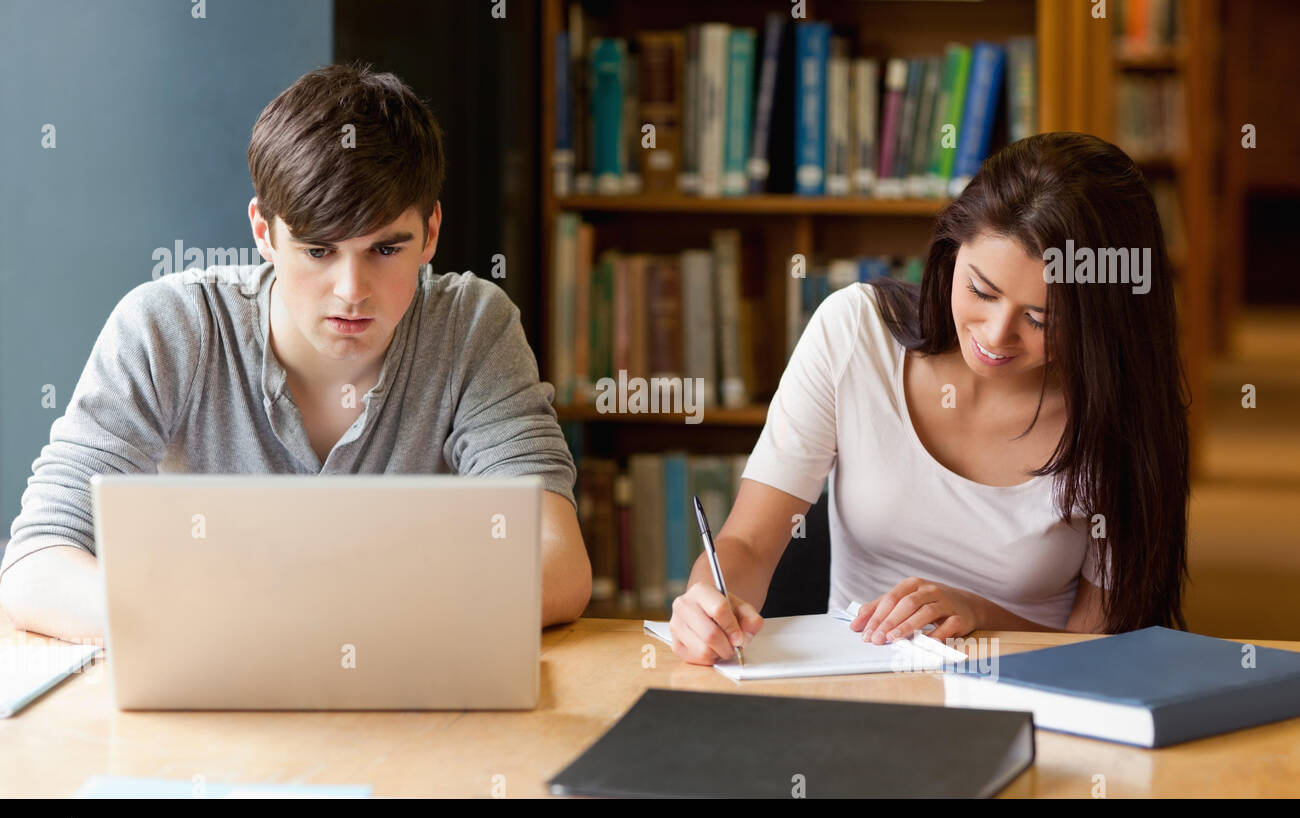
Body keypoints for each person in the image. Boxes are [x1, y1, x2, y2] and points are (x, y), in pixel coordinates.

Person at [0, 63, 592, 641]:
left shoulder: (471, 326)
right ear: (264, 231)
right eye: (317, 251)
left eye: (386, 250)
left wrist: (319, 619)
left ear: (431, 233)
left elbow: (557, 563)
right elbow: (35, 564)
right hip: (210, 689)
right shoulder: (168, 326)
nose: (352, 290)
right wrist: (203, 624)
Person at [670, 132, 1190, 665]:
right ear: (952, 248)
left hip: (1028, 701)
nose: (994, 334)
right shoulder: (855, 332)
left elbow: (1099, 649)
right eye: (981, 291)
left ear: (1104, 319)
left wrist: (979, 614)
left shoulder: (1121, 416)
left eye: (1041, 319)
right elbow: (750, 545)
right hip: (852, 693)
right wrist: (708, 602)